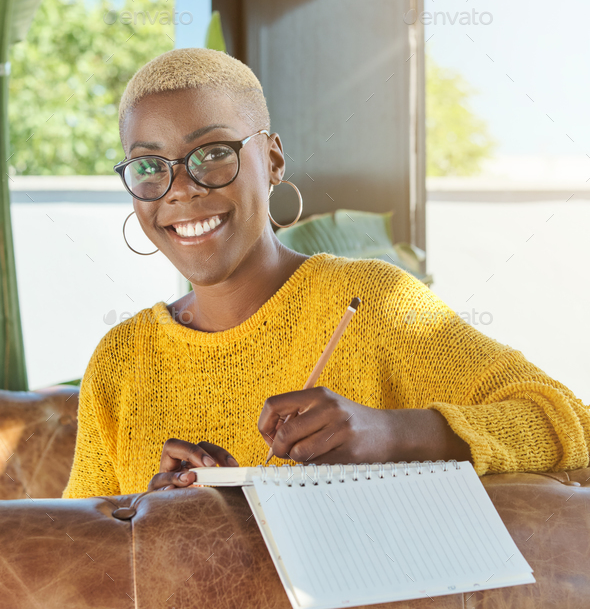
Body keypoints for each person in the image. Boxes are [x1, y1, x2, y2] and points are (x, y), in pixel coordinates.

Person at [62, 48, 590, 499]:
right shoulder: (121, 361)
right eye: (151, 166)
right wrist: (154, 523)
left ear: (272, 160)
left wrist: (390, 433)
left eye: (213, 154)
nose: (181, 188)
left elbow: (571, 423)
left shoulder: (371, 302)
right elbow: (77, 565)